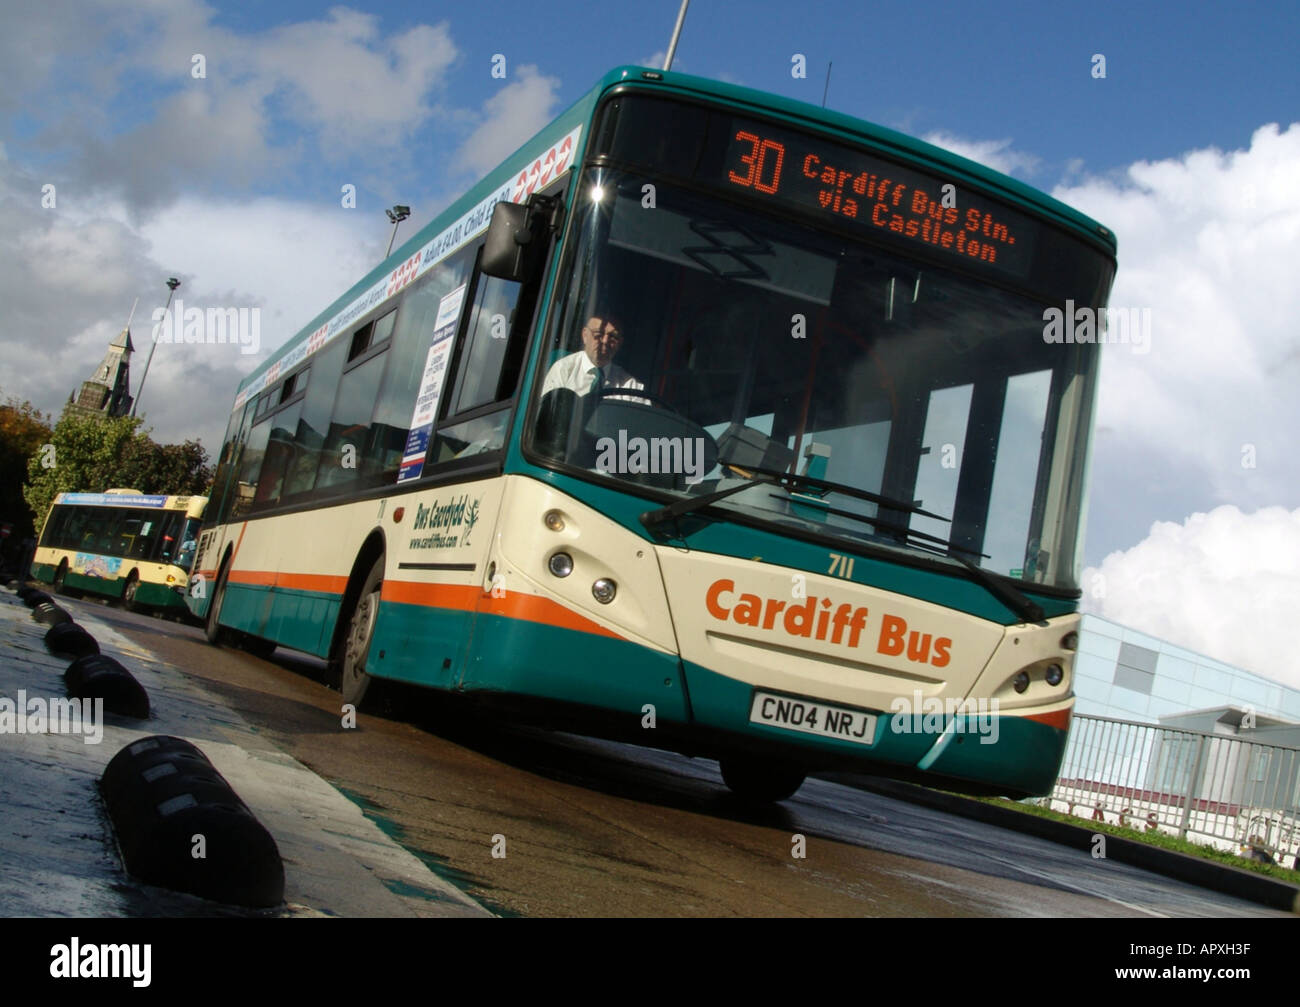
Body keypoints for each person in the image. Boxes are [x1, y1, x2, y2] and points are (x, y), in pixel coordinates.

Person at [541, 315, 644, 399]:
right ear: (585, 335)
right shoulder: (563, 369)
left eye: (613, 337)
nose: (605, 341)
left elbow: (637, 423)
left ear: (620, 343)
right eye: (598, 334)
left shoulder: (631, 387)